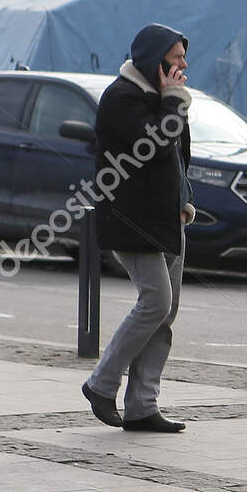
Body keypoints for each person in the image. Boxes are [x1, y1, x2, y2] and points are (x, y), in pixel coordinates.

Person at [81, 23, 195, 435]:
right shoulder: (123, 97)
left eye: (183, 55)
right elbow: (156, 145)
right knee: (155, 303)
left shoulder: (163, 98)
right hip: (133, 218)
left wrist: (184, 199)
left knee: (165, 313)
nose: (183, 63)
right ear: (154, 59)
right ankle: (101, 383)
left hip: (169, 217)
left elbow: (178, 156)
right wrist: (172, 102)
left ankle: (142, 405)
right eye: (176, 56)